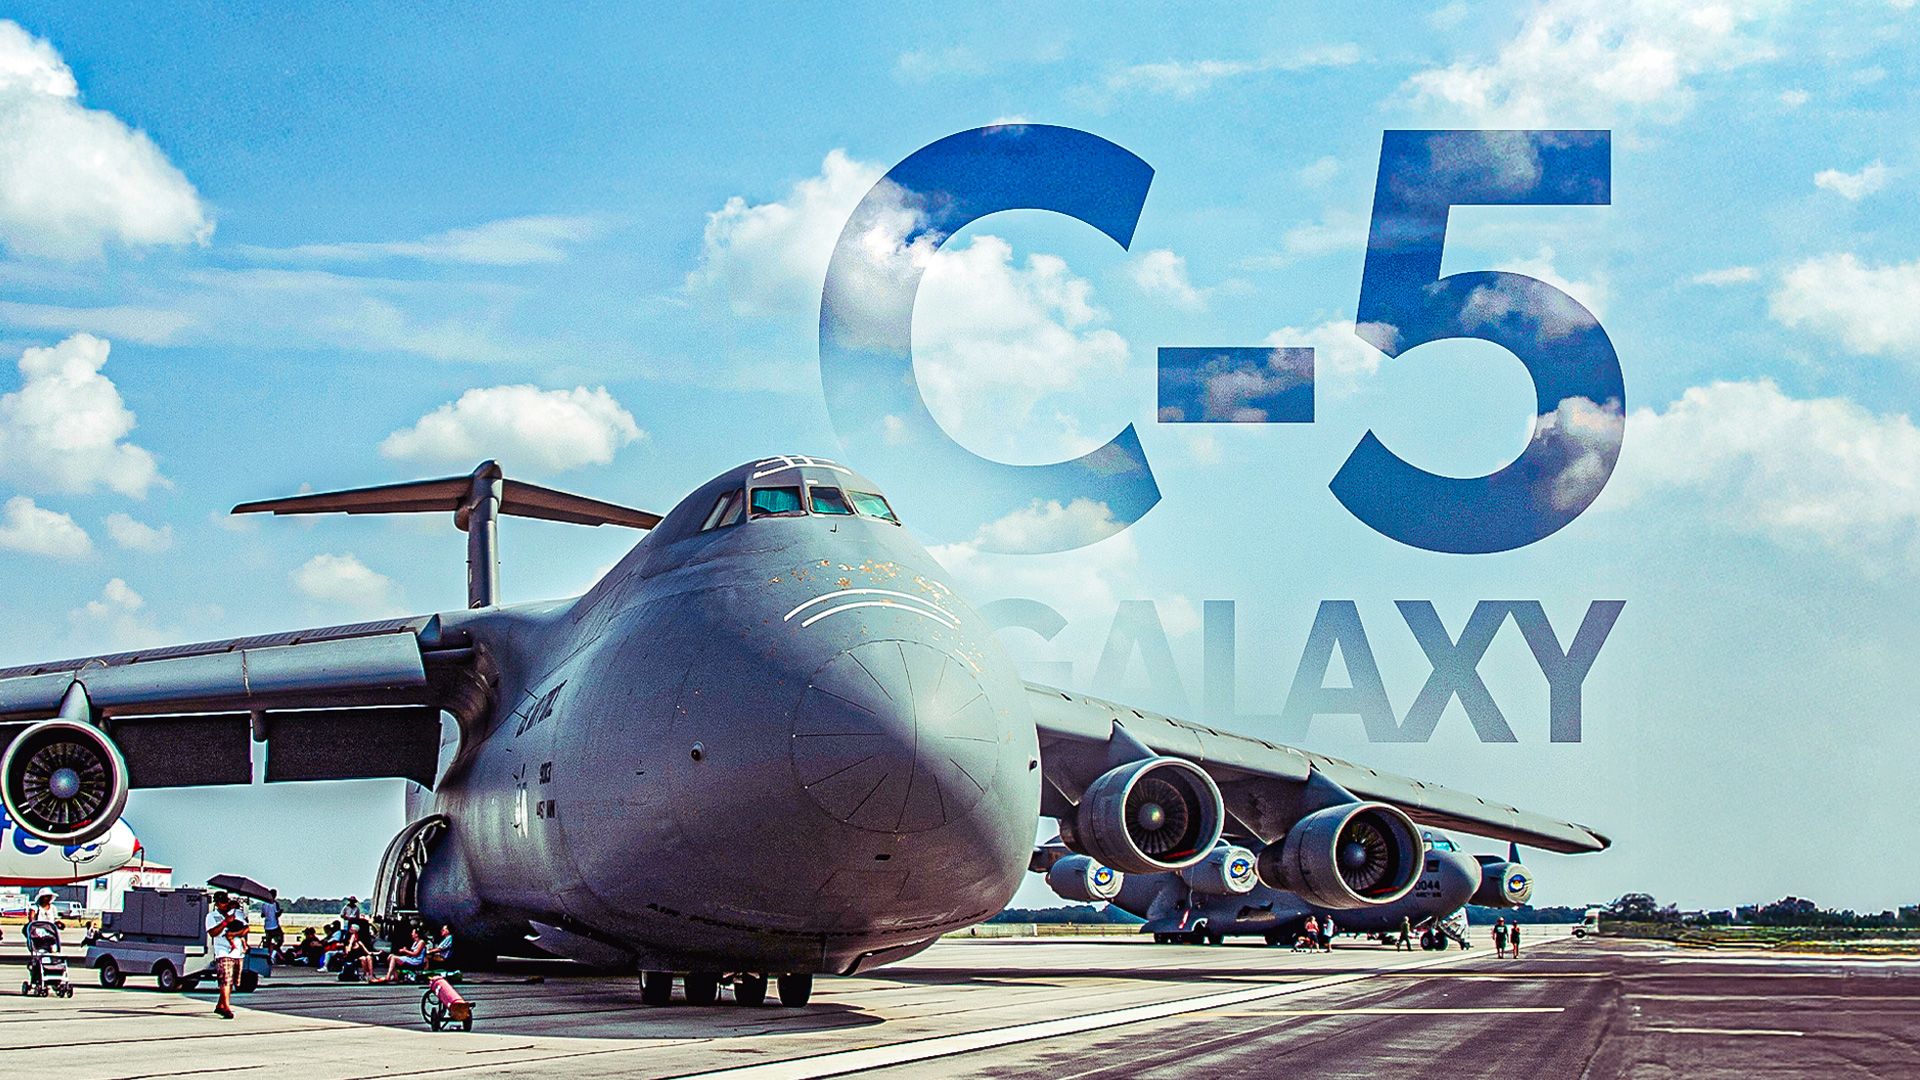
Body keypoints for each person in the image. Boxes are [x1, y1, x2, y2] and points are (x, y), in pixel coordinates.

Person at [205, 891, 247, 1020]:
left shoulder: (236, 913)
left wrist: (236, 935)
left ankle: (220, 1005)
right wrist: (225, 923)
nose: (225, 904)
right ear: (217, 904)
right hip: (222, 951)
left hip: (237, 951)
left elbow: (246, 928)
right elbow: (212, 933)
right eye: (222, 902)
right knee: (225, 980)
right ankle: (227, 1008)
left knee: (232, 981)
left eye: (226, 901)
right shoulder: (212, 916)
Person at [259, 890, 283, 957]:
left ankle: (269, 954)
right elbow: (277, 914)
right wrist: (280, 912)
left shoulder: (264, 904)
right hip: (274, 925)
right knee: (280, 939)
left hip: (267, 926)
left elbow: (262, 915)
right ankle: (275, 949)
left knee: (268, 942)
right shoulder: (275, 904)